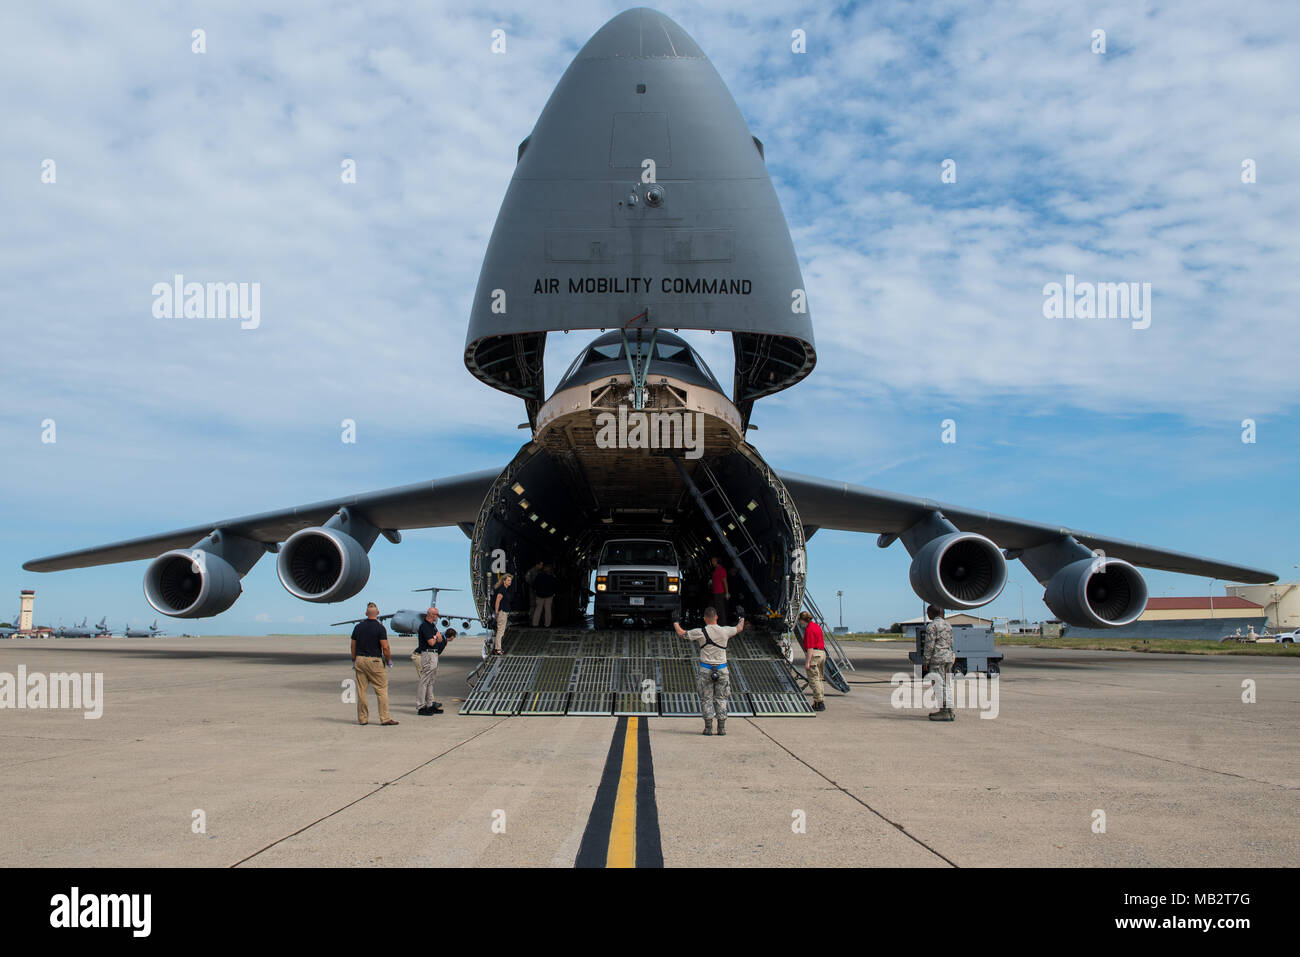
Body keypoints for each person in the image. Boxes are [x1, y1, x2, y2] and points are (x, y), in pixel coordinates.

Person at [673, 607, 744, 736]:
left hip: (706, 669)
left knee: (706, 699)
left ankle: (708, 728)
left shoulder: (700, 632)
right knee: (721, 698)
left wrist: (675, 621)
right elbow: (739, 628)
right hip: (722, 669)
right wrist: (741, 617)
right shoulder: (725, 631)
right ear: (716, 617)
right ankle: (721, 728)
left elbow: (682, 633)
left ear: (705, 618)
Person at [351, 602, 397, 726]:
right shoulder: (380, 628)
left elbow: (353, 645)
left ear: (366, 614)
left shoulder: (358, 627)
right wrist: (388, 660)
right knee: (381, 690)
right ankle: (385, 718)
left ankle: (363, 719)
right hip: (374, 661)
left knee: (361, 691)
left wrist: (354, 659)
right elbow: (385, 647)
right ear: (378, 613)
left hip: (360, 660)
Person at [413, 607, 451, 715]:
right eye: (436, 614)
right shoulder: (425, 626)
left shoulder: (432, 626)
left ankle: (429, 704)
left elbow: (439, 639)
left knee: (431, 681)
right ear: (430, 614)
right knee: (424, 681)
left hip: (434, 654)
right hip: (428, 653)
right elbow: (431, 642)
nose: (437, 616)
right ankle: (421, 706)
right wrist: (435, 636)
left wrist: (436, 637)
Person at [923, 604, 955, 722]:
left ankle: (944, 712)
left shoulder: (932, 626)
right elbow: (951, 642)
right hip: (948, 658)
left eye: (928, 613)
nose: (928, 615)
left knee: (938, 685)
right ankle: (950, 710)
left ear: (932, 613)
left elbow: (929, 645)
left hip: (937, 659)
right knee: (947, 685)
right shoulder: (948, 625)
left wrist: (925, 660)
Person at [797, 610, 827, 711]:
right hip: (822, 654)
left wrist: (807, 662)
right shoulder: (816, 626)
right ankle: (819, 700)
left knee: (813, 679)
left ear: (803, 620)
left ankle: (819, 702)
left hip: (814, 654)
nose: (800, 623)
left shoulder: (809, 630)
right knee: (818, 679)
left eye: (800, 621)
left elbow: (810, 648)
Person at [492, 573, 513, 655]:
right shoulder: (502, 589)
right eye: (508, 580)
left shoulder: (505, 589)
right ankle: (498, 649)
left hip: (504, 612)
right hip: (502, 612)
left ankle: (497, 648)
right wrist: (497, 612)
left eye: (510, 580)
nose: (510, 582)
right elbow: (498, 601)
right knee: (500, 631)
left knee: (501, 631)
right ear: (504, 581)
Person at [709, 556, 729, 624]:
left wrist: (727, 593)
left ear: (717, 561)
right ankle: (720, 623)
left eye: (713, 561)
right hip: (716, 592)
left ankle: (722, 624)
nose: (712, 562)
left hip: (720, 592)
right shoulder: (716, 570)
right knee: (718, 609)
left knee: (721, 609)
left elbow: (725, 581)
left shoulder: (721, 570)